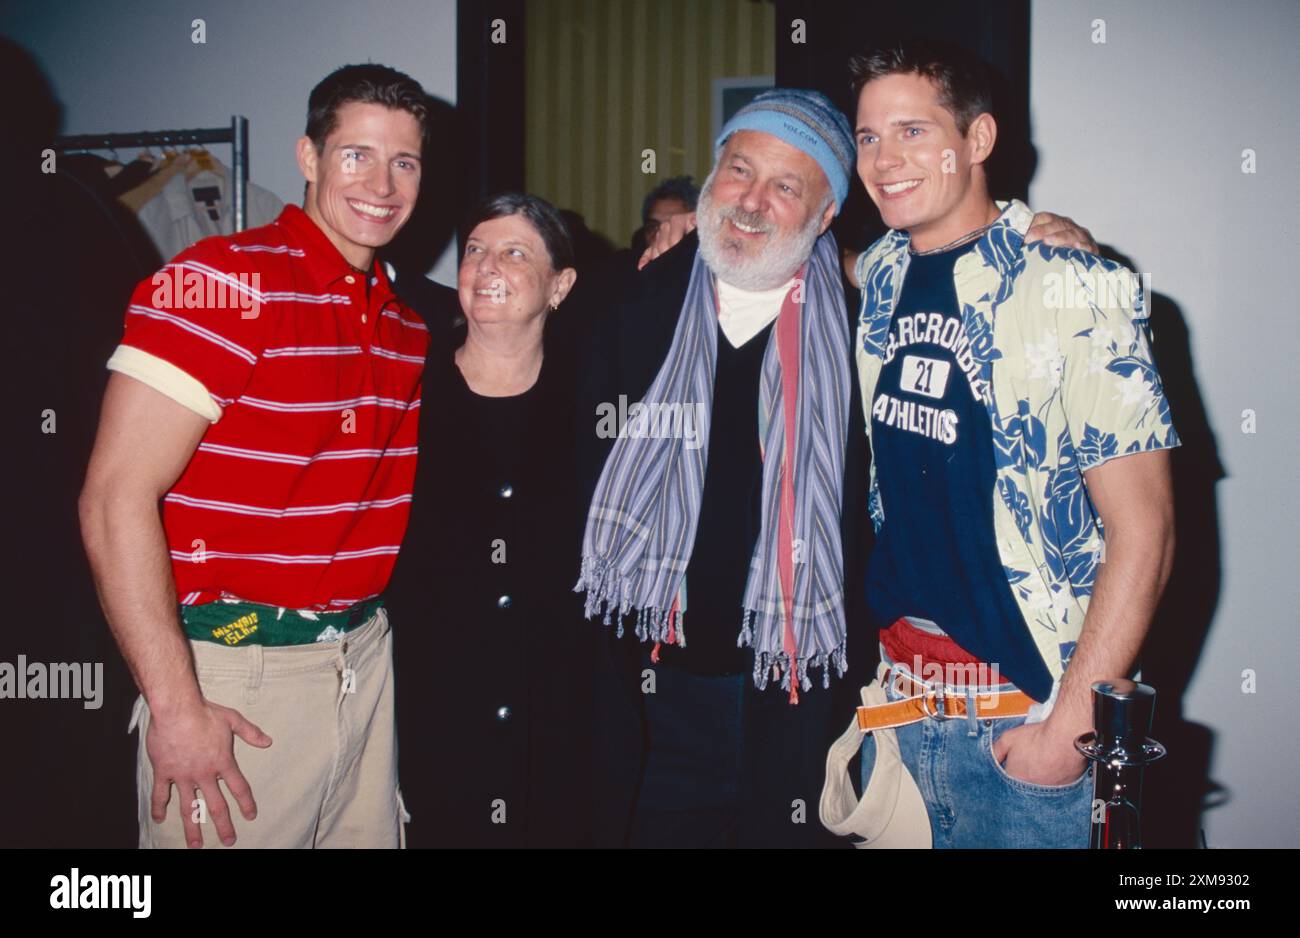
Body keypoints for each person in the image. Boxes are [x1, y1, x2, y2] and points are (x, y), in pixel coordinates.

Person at [834, 41, 1177, 848]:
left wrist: (1068, 737)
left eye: (914, 132)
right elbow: (811, 255)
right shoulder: (881, 271)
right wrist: (681, 235)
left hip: (1024, 728)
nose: (885, 160)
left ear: (978, 141)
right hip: (899, 709)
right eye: (869, 138)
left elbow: (1147, 531)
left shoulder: (1076, 285)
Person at [79, 64, 431, 848]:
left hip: (365, 663)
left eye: (404, 161)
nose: (382, 183)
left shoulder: (405, 326)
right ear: (307, 157)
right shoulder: (215, 283)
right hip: (236, 674)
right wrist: (174, 707)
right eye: (356, 155)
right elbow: (113, 500)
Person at [385, 193, 587, 847]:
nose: (486, 265)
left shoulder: (597, 401)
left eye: (514, 252)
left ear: (561, 286)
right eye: (474, 250)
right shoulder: (404, 393)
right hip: (430, 717)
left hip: (563, 724)